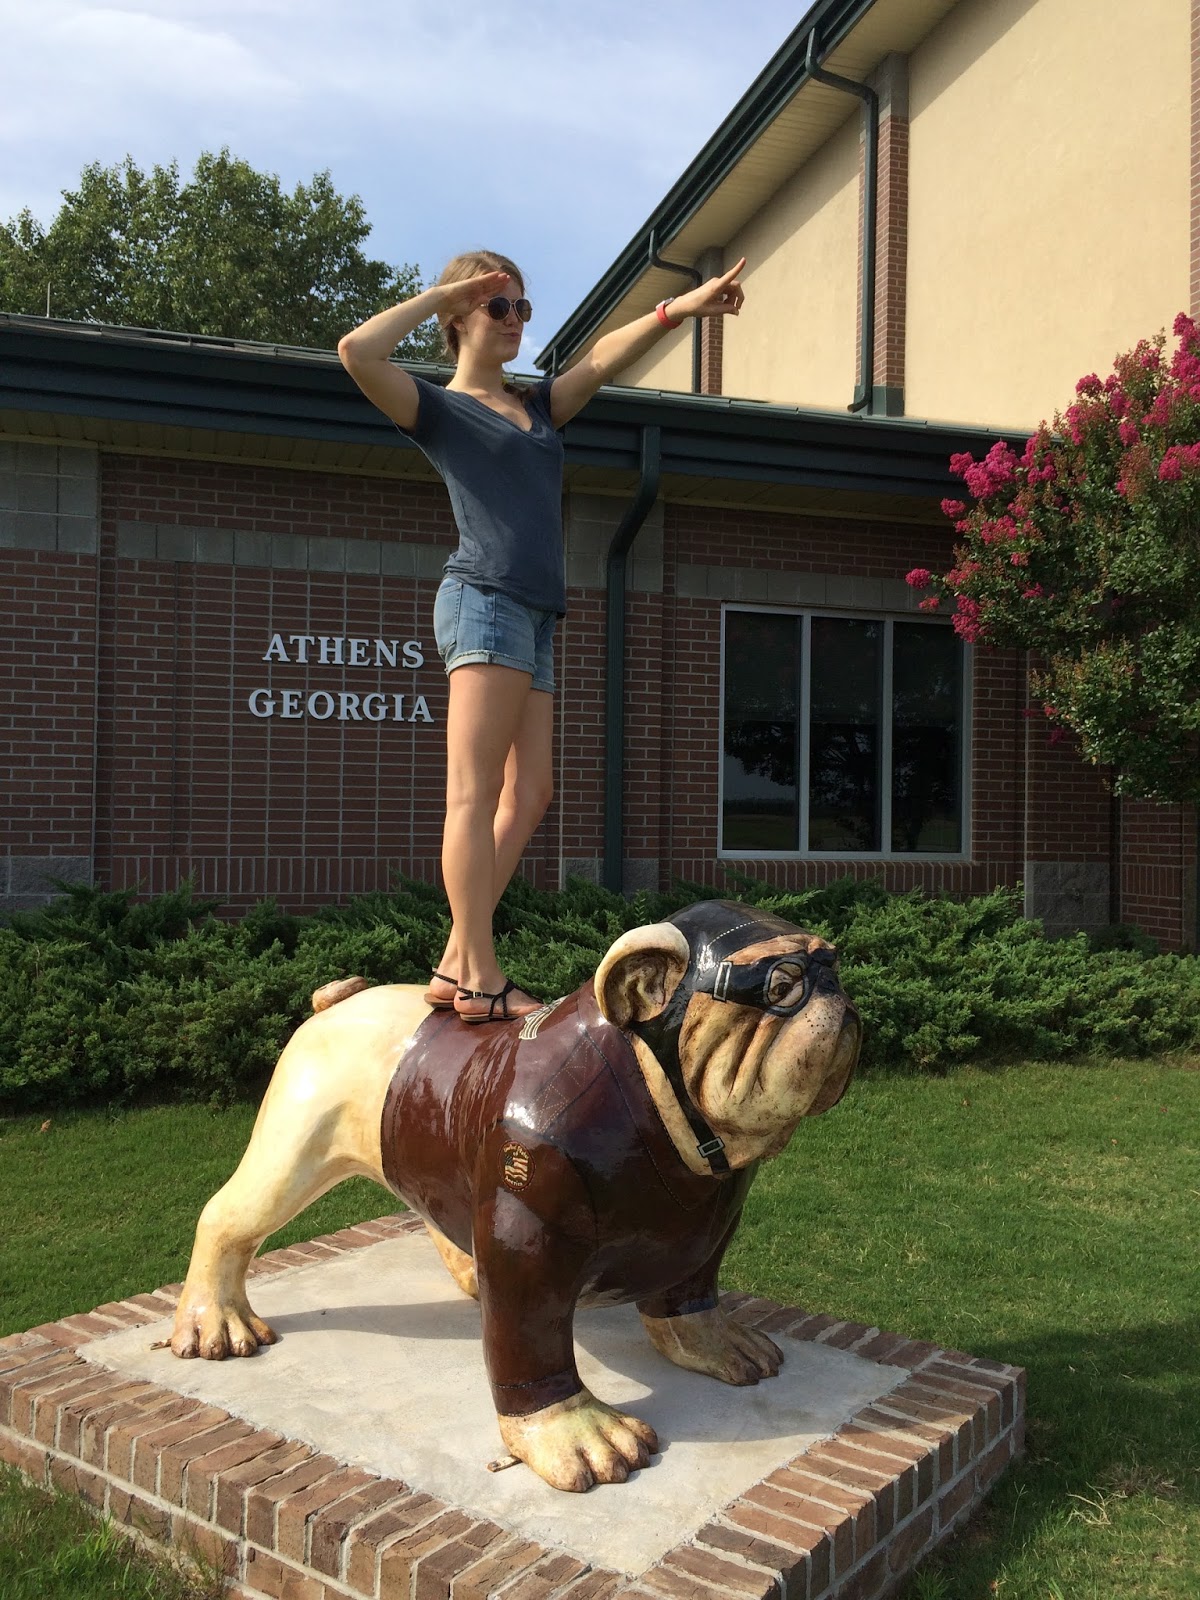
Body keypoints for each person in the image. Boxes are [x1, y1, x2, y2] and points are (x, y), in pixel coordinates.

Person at [338, 249, 746, 1022]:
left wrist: (685, 309)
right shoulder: (439, 409)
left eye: (524, 308)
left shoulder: (535, 409)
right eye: (500, 307)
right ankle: (481, 980)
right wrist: (440, 294)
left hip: (533, 614)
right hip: (482, 601)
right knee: (475, 793)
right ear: (461, 320)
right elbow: (357, 353)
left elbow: (598, 358)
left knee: (532, 791)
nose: (517, 321)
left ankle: (457, 959)